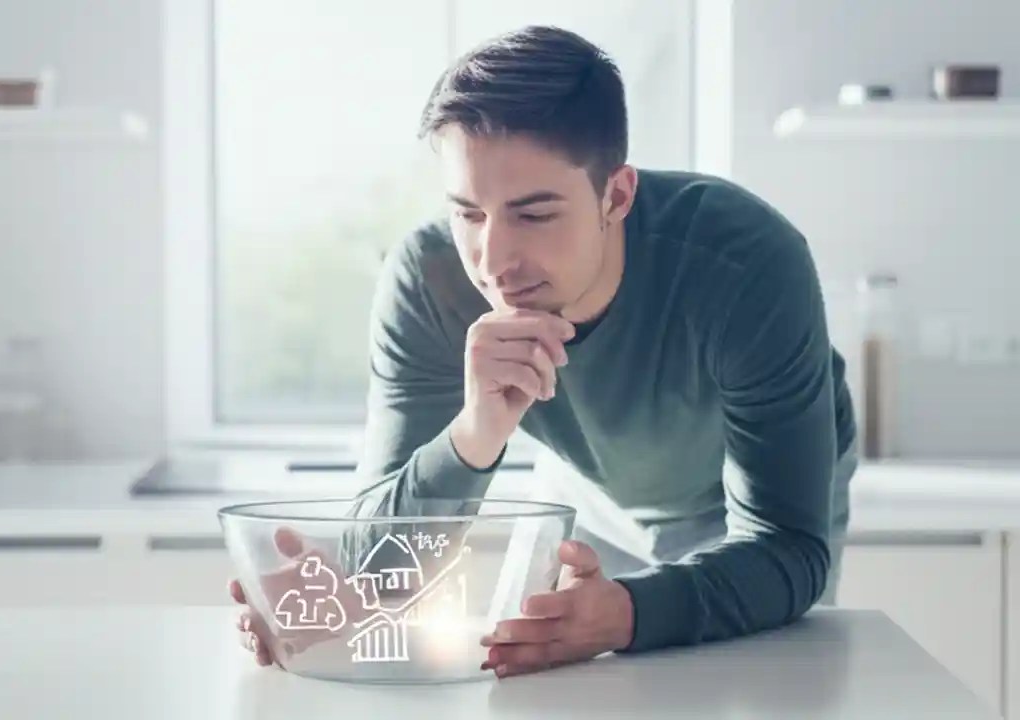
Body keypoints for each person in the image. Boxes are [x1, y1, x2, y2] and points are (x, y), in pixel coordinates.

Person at [231, 25, 856, 678]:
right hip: (592, 487)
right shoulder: (430, 283)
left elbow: (787, 548)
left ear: (615, 195)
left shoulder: (748, 263)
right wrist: (476, 432)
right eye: (469, 214)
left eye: (533, 215)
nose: (493, 263)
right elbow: (377, 570)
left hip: (753, 501)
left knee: (761, 686)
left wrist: (628, 611)